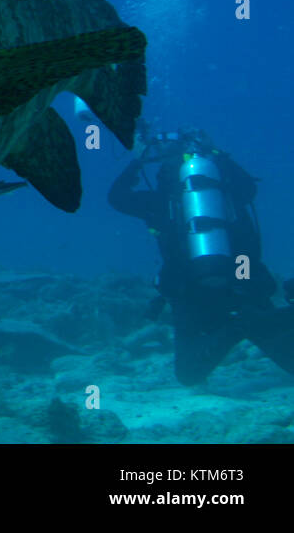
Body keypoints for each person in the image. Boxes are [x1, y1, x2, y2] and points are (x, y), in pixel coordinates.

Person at [108, 126, 294, 385]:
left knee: (189, 374)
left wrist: (138, 159)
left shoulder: (157, 203)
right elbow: (249, 188)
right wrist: (215, 152)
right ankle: (252, 321)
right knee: (289, 359)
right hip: (245, 286)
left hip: (191, 293)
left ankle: (237, 326)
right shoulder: (227, 193)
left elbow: (117, 198)